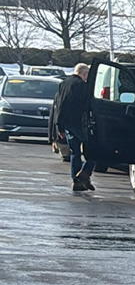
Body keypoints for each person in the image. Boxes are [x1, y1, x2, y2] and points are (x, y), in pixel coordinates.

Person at [51, 63, 95, 191]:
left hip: (67, 123)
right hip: (79, 123)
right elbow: (86, 104)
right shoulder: (81, 86)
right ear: (84, 73)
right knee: (93, 150)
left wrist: (59, 126)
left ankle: (76, 181)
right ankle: (84, 174)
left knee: (74, 152)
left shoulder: (64, 84)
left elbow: (60, 105)